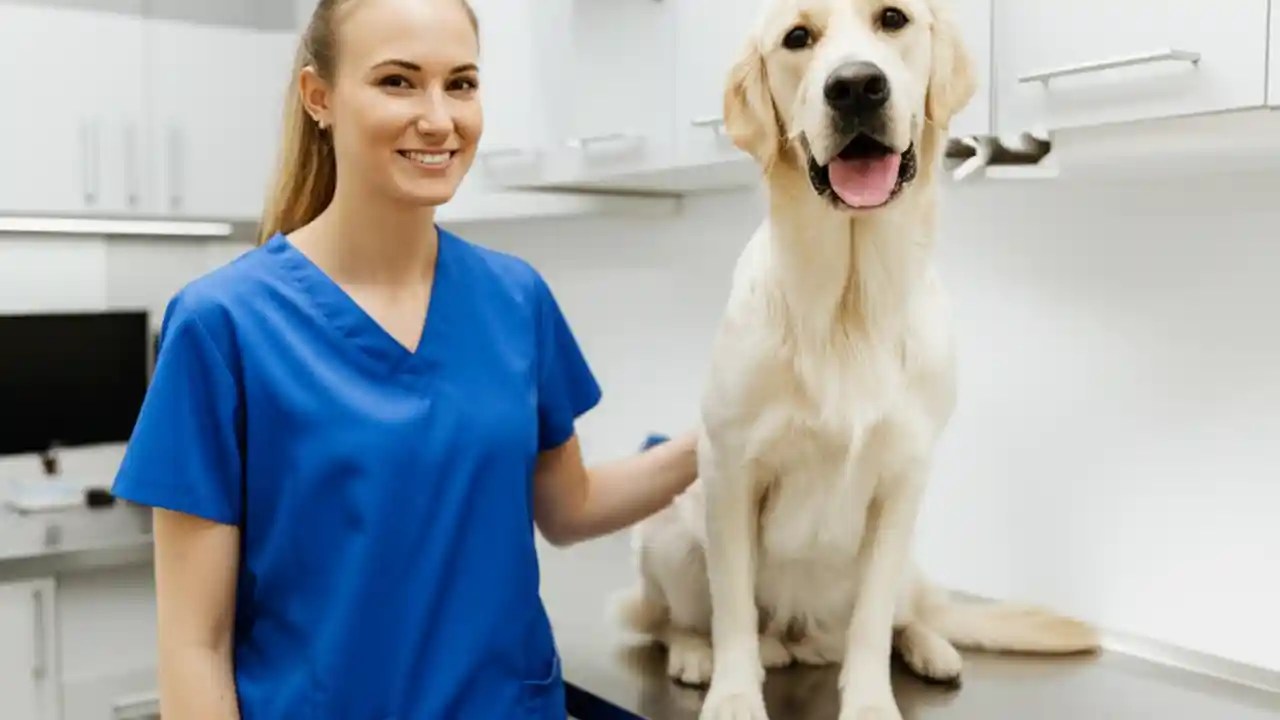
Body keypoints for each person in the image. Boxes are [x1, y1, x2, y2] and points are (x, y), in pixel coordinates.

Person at [109, 0, 700, 717]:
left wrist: (724, 434)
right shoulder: (222, 324)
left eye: (461, 83)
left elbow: (568, 506)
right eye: (398, 81)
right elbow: (194, 646)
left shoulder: (516, 298)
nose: (439, 118)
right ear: (319, 98)